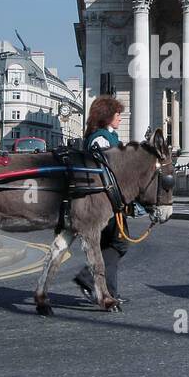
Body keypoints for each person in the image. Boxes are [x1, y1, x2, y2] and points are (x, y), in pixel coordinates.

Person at [74, 96, 131, 304]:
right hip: (103, 200)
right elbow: (108, 169)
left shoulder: (109, 136)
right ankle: (89, 279)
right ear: (108, 116)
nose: (120, 119)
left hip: (111, 199)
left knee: (112, 244)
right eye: (118, 115)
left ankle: (109, 291)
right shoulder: (100, 139)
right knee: (118, 243)